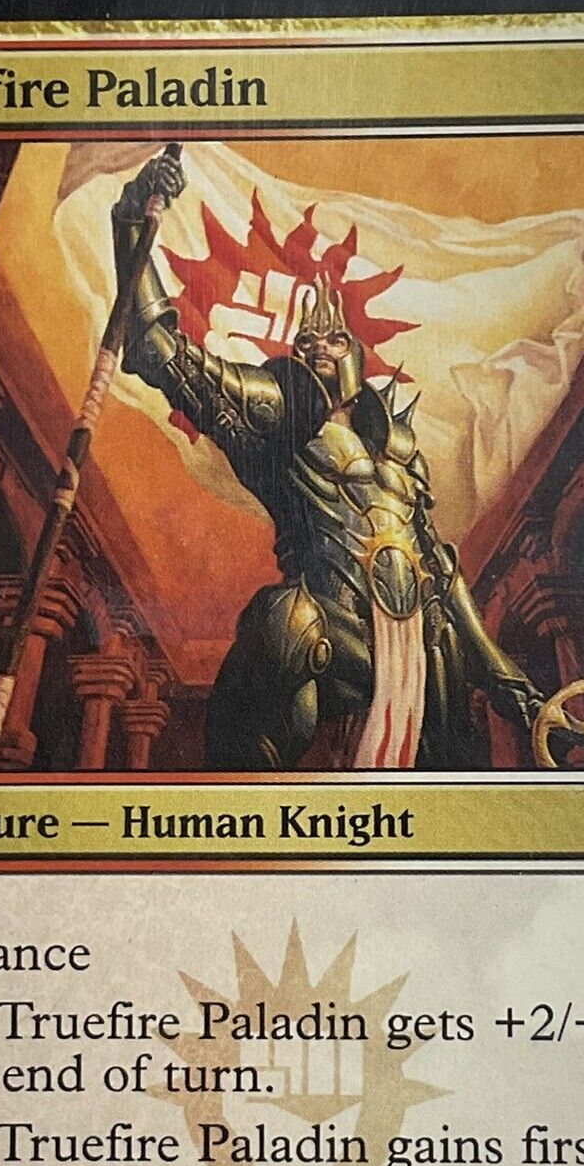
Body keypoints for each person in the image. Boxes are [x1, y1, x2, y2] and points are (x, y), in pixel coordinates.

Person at [113, 148, 547, 770]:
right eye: (307, 341)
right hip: (335, 632)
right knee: (283, 623)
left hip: (422, 645)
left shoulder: (397, 446)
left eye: (335, 339)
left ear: (357, 355)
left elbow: (436, 560)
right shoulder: (277, 412)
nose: (319, 347)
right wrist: (133, 220)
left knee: (446, 732)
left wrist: (497, 665)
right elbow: (160, 349)